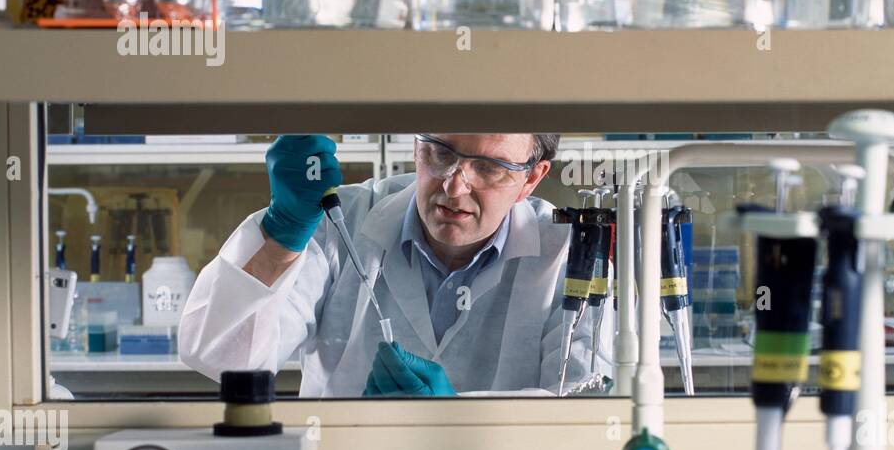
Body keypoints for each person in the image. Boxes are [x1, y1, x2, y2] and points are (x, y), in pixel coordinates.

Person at [179, 133, 611, 397]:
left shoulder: (573, 255)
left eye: (489, 167)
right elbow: (222, 359)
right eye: (440, 153)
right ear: (416, 146)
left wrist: (460, 416)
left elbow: (587, 405)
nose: (455, 186)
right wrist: (284, 231)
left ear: (531, 178)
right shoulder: (336, 221)